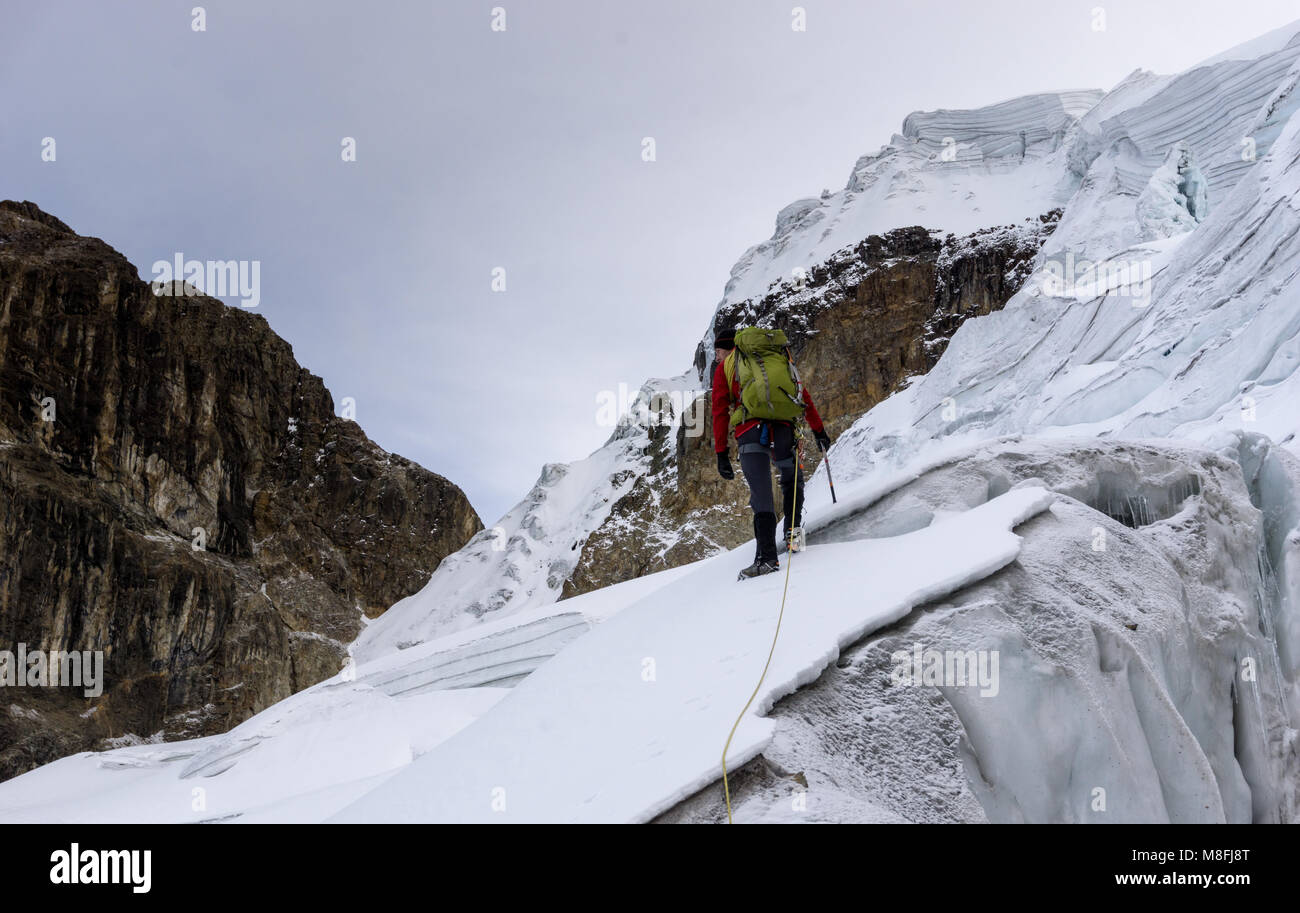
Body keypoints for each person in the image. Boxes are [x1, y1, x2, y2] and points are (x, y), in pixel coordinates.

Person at [711, 326, 832, 579]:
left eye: (718, 352)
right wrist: (818, 430)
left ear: (726, 348)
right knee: (792, 480)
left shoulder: (726, 368)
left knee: (762, 495)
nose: (717, 358)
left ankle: (766, 559)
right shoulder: (776, 358)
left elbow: (720, 410)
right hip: (784, 429)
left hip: (750, 431)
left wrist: (721, 452)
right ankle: (794, 539)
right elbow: (802, 394)